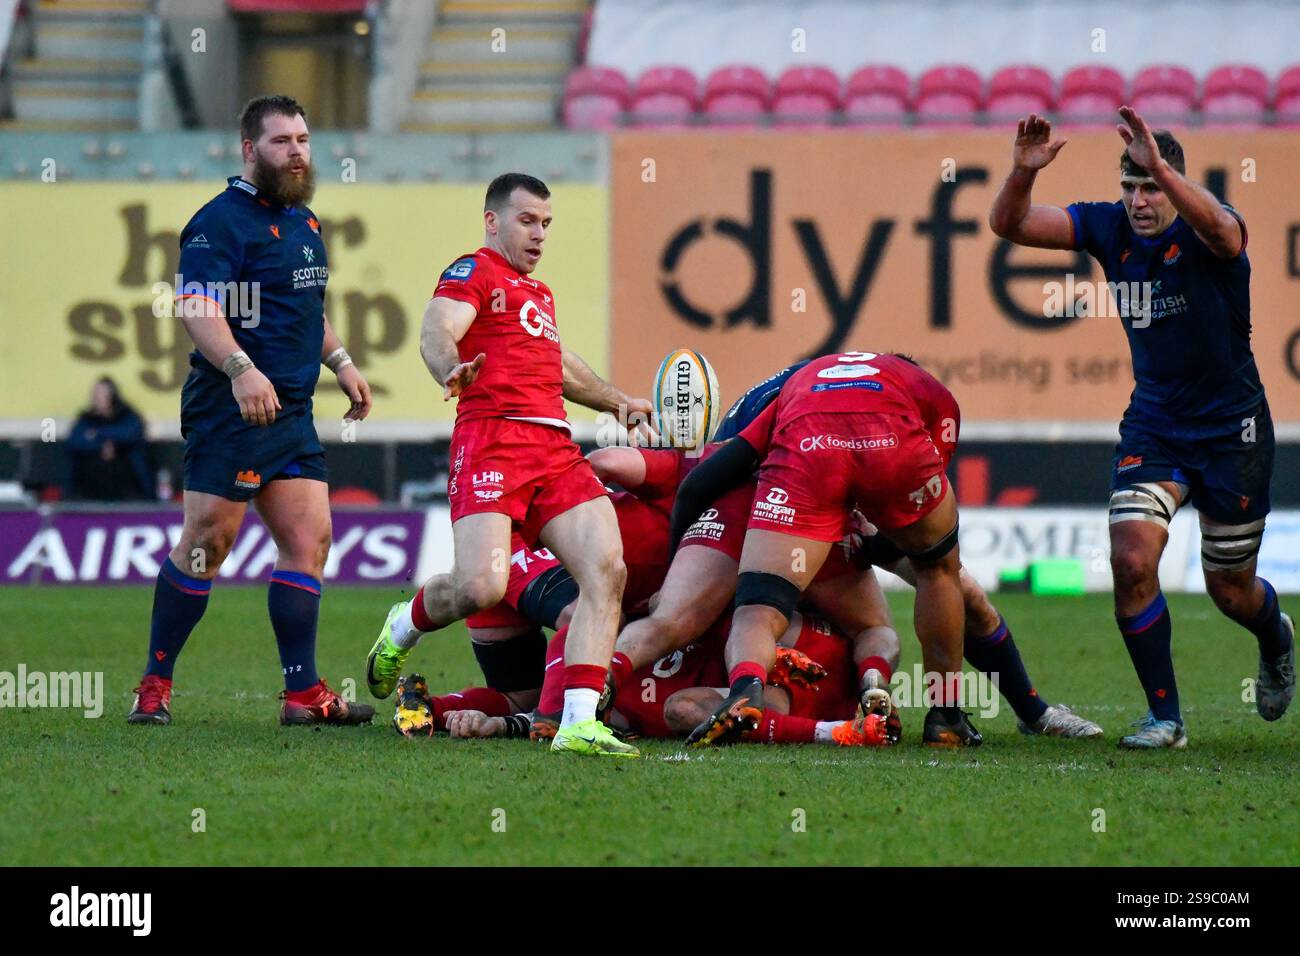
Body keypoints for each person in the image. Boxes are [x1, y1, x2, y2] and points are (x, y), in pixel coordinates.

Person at [989, 108, 1294, 749]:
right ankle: (1167, 719)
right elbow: (1009, 224)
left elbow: (1221, 225)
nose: (1139, 201)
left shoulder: (1213, 234)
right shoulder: (1108, 226)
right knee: (1130, 563)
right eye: (1130, 187)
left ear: (1174, 184)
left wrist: (1162, 168)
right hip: (1154, 426)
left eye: (1151, 186)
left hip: (1232, 431)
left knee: (1230, 590)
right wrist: (1021, 173)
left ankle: (1276, 636)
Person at [365, 172, 654, 758]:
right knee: (481, 586)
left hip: (554, 450)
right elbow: (436, 328)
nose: (540, 234)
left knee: (607, 571)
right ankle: (403, 625)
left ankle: (576, 721)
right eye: (527, 220)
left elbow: (559, 365)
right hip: (492, 442)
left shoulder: (536, 295)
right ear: (492, 221)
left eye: (546, 223)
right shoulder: (474, 270)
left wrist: (618, 400)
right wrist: (449, 366)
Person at [127, 94, 375, 728]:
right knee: (210, 543)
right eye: (281, 142)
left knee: (309, 540)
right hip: (230, 407)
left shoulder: (306, 223)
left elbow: (309, 312)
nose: (296, 152)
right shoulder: (217, 223)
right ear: (249, 150)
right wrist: (240, 370)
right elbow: (197, 307)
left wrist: (342, 363)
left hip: (290, 412)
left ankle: (303, 694)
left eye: (303, 139)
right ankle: (154, 683)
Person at [672, 351, 980, 748]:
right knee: (937, 570)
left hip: (809, 450)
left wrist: (675, 564)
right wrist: (877, 540)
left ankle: (745, 692)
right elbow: (915, 507)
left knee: (759, 606)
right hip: (892, 448)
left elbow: (700, 483)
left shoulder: (797, 387)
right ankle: (946, 718)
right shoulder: (930, 392)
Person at [64, 377, 153, 501]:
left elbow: (131, 435)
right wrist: (101, 446)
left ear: (112, 396)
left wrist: (100, 434)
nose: (95, 398)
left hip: (127, 487)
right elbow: (74, 441)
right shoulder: (86, 418)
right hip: (90, 487)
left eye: (100, 394)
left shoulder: (127, 415)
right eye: (94, 394)